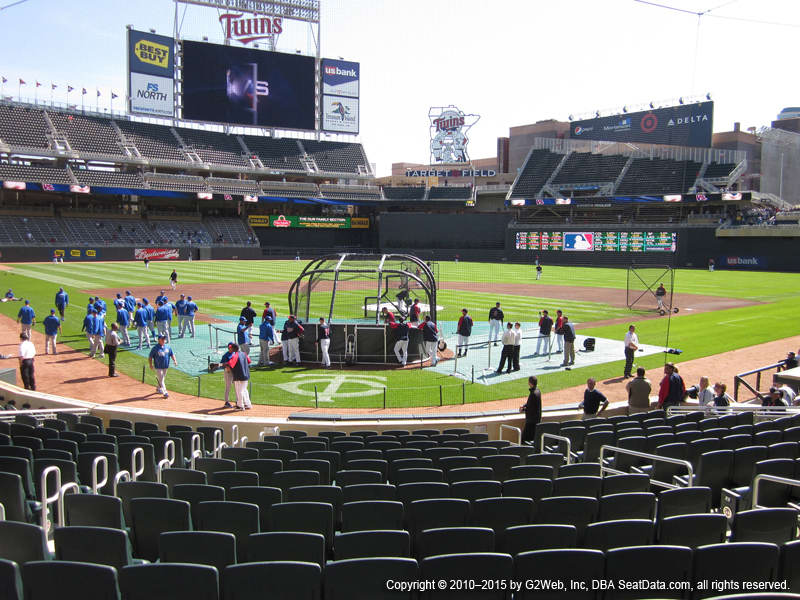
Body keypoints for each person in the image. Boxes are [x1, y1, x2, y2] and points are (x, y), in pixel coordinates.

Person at [226, 343, 252, 410]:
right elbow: (249, 361)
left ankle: (240, 406)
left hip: (239, 376)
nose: (230, 349)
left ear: (234, 349)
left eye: (231, 348)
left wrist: (219, 365)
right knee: (244, 390)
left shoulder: (236, 355)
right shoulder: (244, 354)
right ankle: (247, 404)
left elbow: (230, 364)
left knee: (239, 391)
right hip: (246, 375)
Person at [519, 376, 541, 444]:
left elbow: (530, 408)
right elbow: (530, 404)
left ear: (530, 383)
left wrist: (523, 409)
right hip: (536, 420)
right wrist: (524, 406)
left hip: (531, 422)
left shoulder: (533, 394)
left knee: (524, 440)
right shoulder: (537, 391)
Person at [220, 342, 235, 408]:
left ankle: (238, 401)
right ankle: (226, 402)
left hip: (234, 372)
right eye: (230, 347)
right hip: (228, 372)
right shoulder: (225, 356)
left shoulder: (235, 353)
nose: (231, 348)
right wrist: (227, 368)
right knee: (228, 387)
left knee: (236, 387)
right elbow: (221, 364)